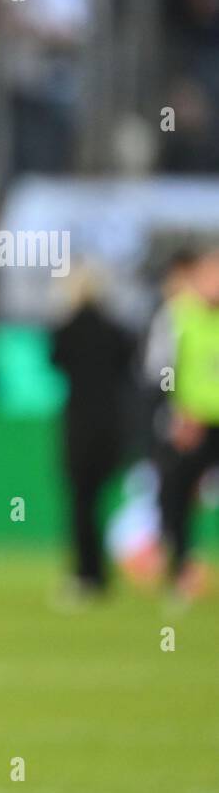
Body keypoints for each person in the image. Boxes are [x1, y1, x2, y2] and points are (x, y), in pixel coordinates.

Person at [50, 270, 135, 603]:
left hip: (80, 427)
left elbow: (55, 361)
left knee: (81, 503)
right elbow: (130, 366)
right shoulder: (117, 330)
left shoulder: (67, 331)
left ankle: (87, 573)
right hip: (114, 426)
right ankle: (100, 572)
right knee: (98, 500)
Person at [152, 248, 219, 602]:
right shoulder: (178, 315)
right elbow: (160, 370)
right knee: (176, 494)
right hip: (193, 421)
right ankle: (180, 572)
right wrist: (177, 411)